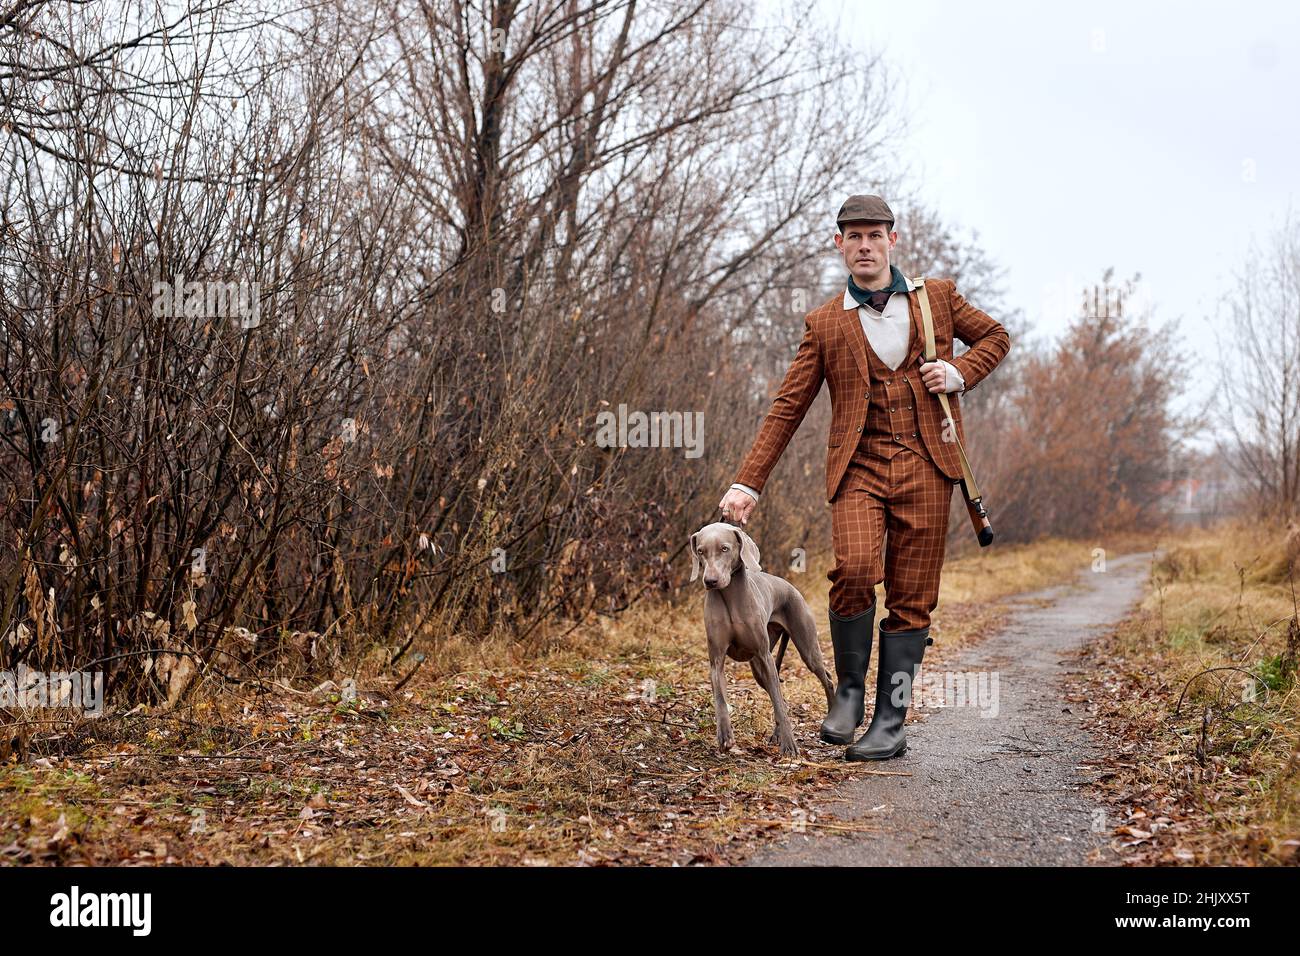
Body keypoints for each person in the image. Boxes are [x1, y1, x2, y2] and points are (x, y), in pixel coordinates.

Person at [717, 194, 1011, 760]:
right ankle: (849, 694)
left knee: (911, 599)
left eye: (874, 234)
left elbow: (996, 337)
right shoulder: (825, 323)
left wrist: (958, 372)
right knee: (853, 570)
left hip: (930, 466)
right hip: (859, 468)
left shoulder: (939, 299)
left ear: (892, 240)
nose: (864, 245)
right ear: (839, 244)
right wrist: (747, 483)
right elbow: (787, 407)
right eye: (853, 236)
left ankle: (889, 723)